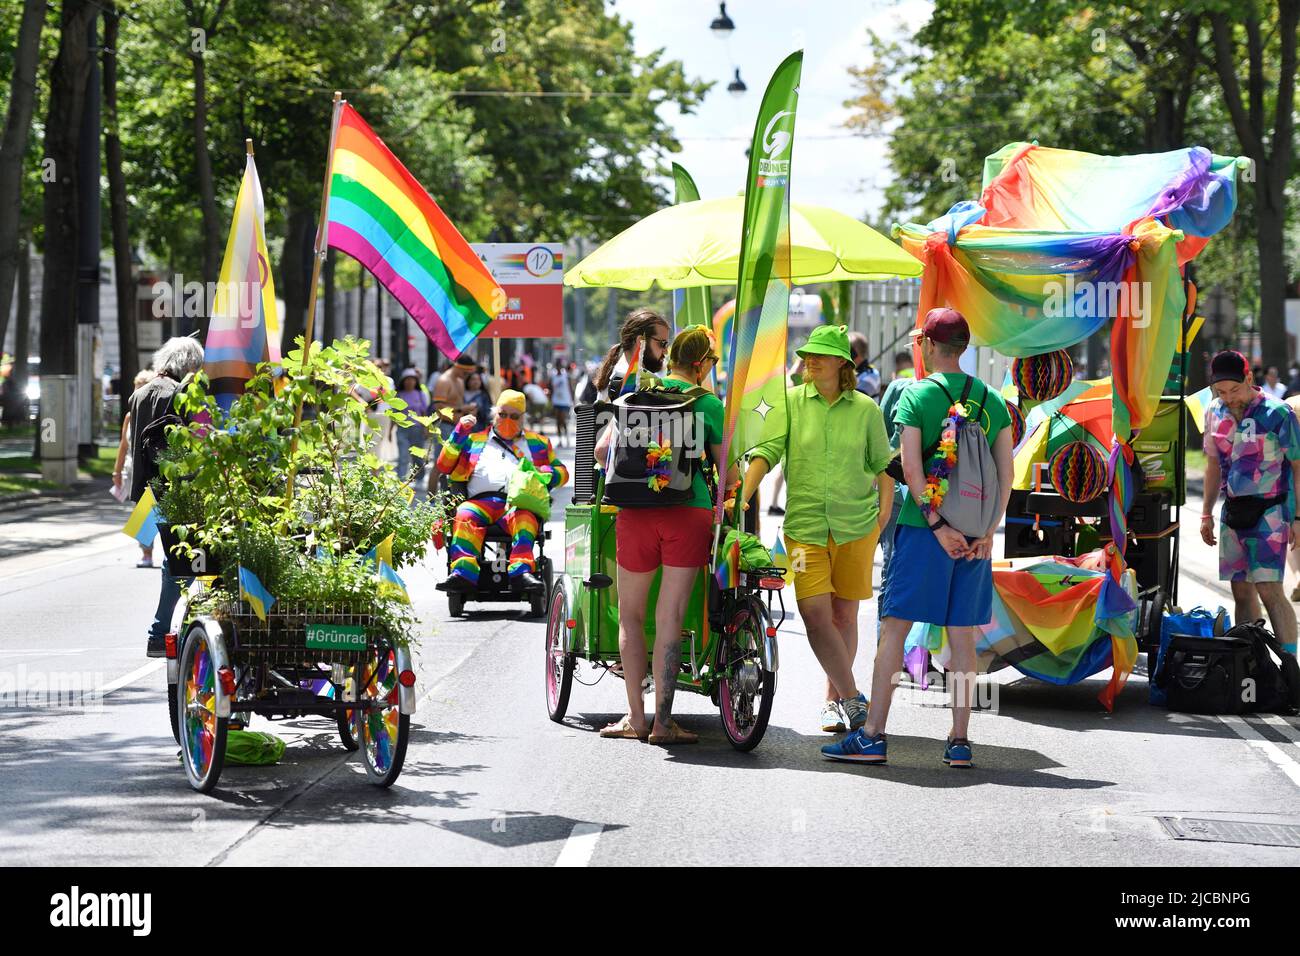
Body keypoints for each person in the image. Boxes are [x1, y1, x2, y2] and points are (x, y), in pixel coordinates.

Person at [824, 308, 1013, 768]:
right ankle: (960, 741)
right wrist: (985, 531)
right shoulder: (992, 401)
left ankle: (872, 736)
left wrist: (937, 526)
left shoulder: (916, 395)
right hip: (975, 535)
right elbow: (1006, 474)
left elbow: (910, 468)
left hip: (921, 530)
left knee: (895, 630)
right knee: (963, 638)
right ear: (963, 349)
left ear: (928, 345)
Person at [740, 324, 892, 734]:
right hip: (805, 529)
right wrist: (741, 495)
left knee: (844, 615)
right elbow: (768, 451)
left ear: (843, 362)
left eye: (821, 354)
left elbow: (883, 465)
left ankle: (833, 701)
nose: (811, 359)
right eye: (808, 353)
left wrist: (882, 518)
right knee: (813, 613)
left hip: (856, 528)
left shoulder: (866, 409)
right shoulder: (789, 403)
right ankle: (854, 697)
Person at [594, 326, 731, 744]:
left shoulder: (635, 394)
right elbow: (728, 471)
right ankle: (663, 722)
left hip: (635, 512)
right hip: (687, 511)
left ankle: (635, 716)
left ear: (670, 357)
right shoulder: (707, 403)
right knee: (669, 616)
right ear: (702, 364)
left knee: (630, 617)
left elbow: (601, 453)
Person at [1200, 350, 1300, 658]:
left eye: (1235, 389)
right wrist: (1206, 513)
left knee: (1270, 589)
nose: (1229, 397)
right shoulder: (1214, 412)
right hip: (1233, 513)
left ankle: (1290, 670)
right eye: (1221, 392)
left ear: (1249, 379)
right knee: (1240, 591)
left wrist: (1297, 517)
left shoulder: (1279, 413)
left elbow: (1298, 467)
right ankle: (1249, 666)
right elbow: (1213, 466)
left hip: (1271, 512)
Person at [435, 389, 568, 594]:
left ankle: (521, 573)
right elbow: (443, 466)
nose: (507, 420)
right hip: (480, 503)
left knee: (526, 519)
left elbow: (562, 472)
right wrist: (459, 432)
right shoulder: (474, 440)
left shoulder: (538, 443)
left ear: (523, 418)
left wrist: (546, 473)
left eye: (514, 416)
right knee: (464, 513)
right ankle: (463, 573)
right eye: (502, 414)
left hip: (517, 505)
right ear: (493, 414)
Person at [131, 337, 205, 658]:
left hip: (151, 490)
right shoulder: (178, 394)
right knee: (185, 559)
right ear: (188, 365)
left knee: (178, 557)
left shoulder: (139, 394)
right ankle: (162, 630)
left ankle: (168, 629)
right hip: (179, 488)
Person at [874, 346, 919, 635]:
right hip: (900, 496)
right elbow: (880, 444)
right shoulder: (900, 388)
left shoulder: (960, 392)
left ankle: (918, 648)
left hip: (940, 501)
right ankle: (886, 644)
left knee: (919, 574)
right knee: (894, 568)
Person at [114, 368, 159, 568]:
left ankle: (170, 553)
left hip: (155, 470)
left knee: (156, 512)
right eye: (136, 389)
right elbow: (123, 445)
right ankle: (146, 553)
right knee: (142, 513)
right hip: (135, 471)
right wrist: (117, 471)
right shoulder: (129, 417)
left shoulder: (157, 414)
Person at [593, 309, 670, 401]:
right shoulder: (628, 381)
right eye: (663, 344)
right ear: (641, 342)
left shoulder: (621, 372)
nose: (666, 351)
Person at [393, 367, 432, 496]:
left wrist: (427, 427)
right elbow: (394, 414)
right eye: (407, 380)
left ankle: (420, 478)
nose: (409, 382)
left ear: (416, 381)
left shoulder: (420, 394)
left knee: (417, 456)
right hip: (402, 429)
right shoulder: (399, 395)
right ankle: (401, 480)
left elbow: (425, 412)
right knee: (403, 455)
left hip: (417, 428)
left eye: (412, 380)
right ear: (403, 381)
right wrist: (390, 430)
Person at [549, 359, 573, 447]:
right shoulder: (553, 376)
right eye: (557, 365)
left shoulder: (566, 375)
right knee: (558, 422)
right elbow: (551, 388)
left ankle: (566, 437)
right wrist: (550, 400)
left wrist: (572, 400)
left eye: (560, 365)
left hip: (565, 401)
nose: (558, 367)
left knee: (563, 420)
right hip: (556, 401)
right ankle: (560, 440)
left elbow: (570, 387)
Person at [849, 330, 880, 398]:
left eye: (848, 349)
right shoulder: (851, 371)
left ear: (856, 353)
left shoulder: (871, 374)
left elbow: (854, 399)